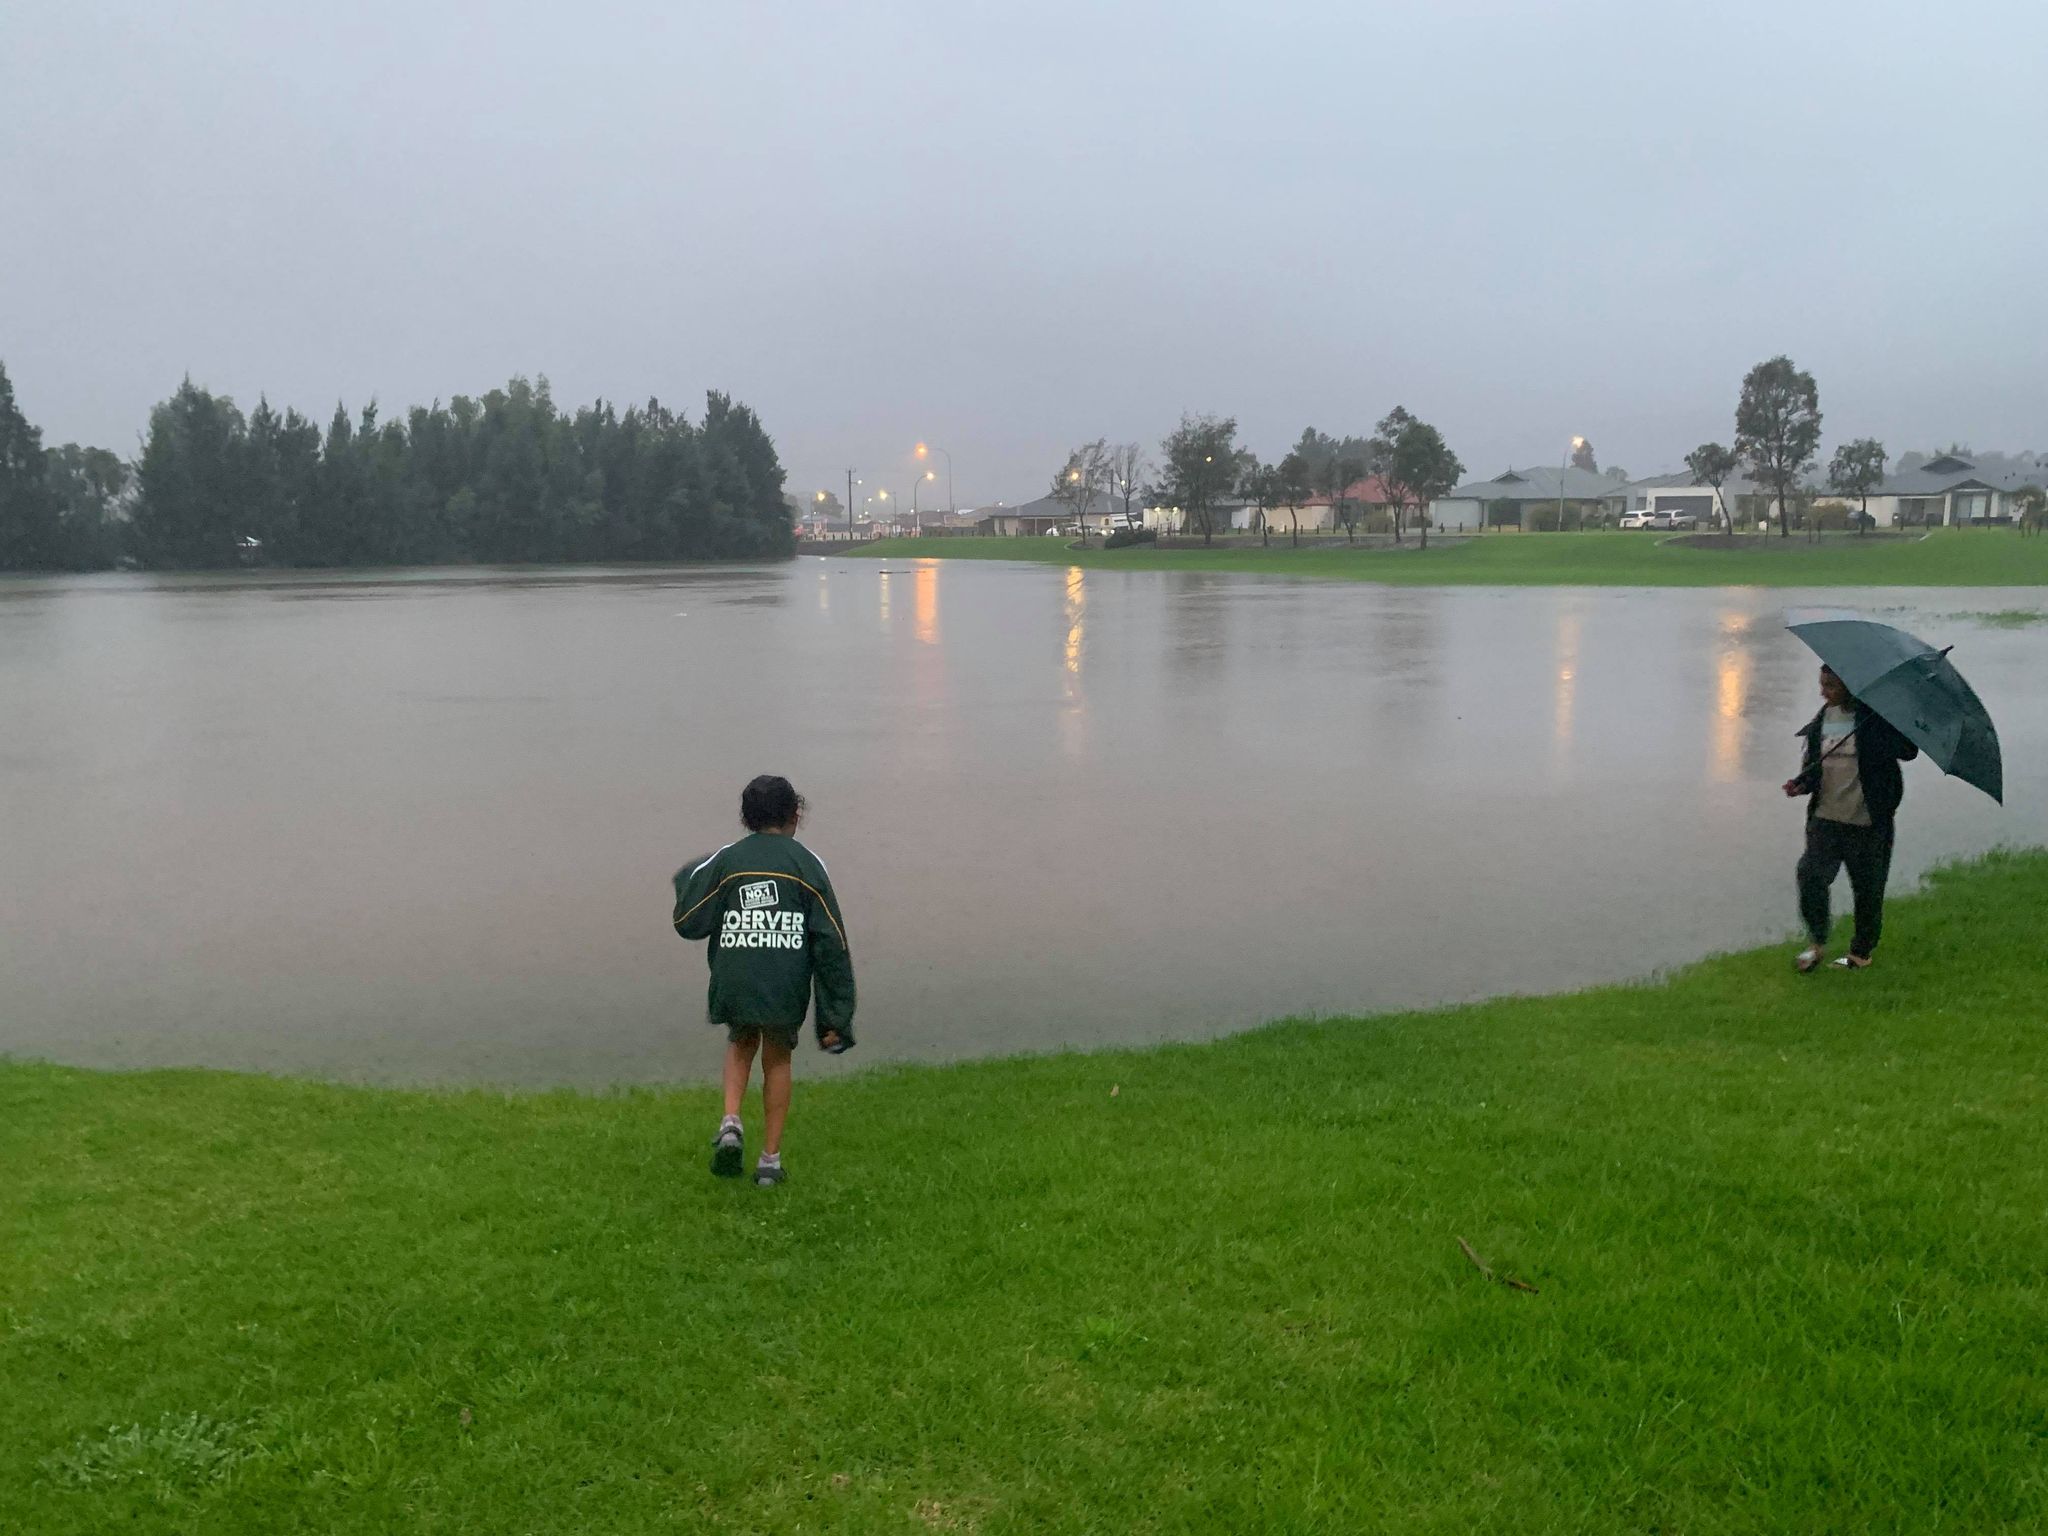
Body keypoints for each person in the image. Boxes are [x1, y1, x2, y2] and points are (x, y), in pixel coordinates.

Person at [672, 776, 855, 1186]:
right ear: (794, 815)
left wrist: (689, 876)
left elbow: (688, 920)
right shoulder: (807, 864)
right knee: (778, 1058)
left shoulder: (727, 860)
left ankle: (731, 1121)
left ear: (746, 817)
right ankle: (769, 1162)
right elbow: (831, 943)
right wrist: (835, 1018)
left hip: (735, 977)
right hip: (784, 982)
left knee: (741, 1042)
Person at [1781, 665, 1920, 972]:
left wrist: (1887, 723)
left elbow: (1909, 751)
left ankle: (1860, 954)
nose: (1823, 692)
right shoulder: (1823, 718)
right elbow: (1814, 767)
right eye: (1821, 685)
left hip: (1868, 822)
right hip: (1825, 817)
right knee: (1810, 875)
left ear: (1849, 686)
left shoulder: (1875, 718)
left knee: (1868, 889)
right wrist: (1800, 785)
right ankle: (1817, 943)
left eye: (1830, 686)